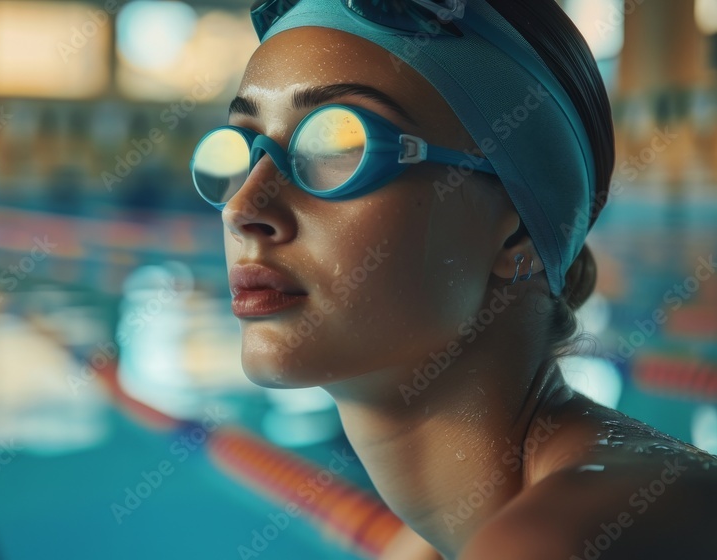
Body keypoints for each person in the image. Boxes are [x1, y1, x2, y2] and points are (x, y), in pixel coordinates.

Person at [188, 1, 717, 558]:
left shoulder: (558, 538)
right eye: (245, 147)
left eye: (337, 147)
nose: (244, 206)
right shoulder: (471, 527)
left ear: (516, 235)